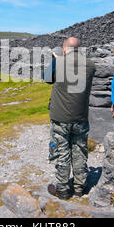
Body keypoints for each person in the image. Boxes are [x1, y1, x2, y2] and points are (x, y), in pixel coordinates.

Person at [42, 37, 96, 199]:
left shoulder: (58, 63)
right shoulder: (90, 65)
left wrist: (55, 60)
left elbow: (46, 78)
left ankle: (63, 189)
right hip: (80, 117)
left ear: (64, 49)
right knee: (79, 151)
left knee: (61, 152)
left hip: (60, 118)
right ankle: (80, 187)